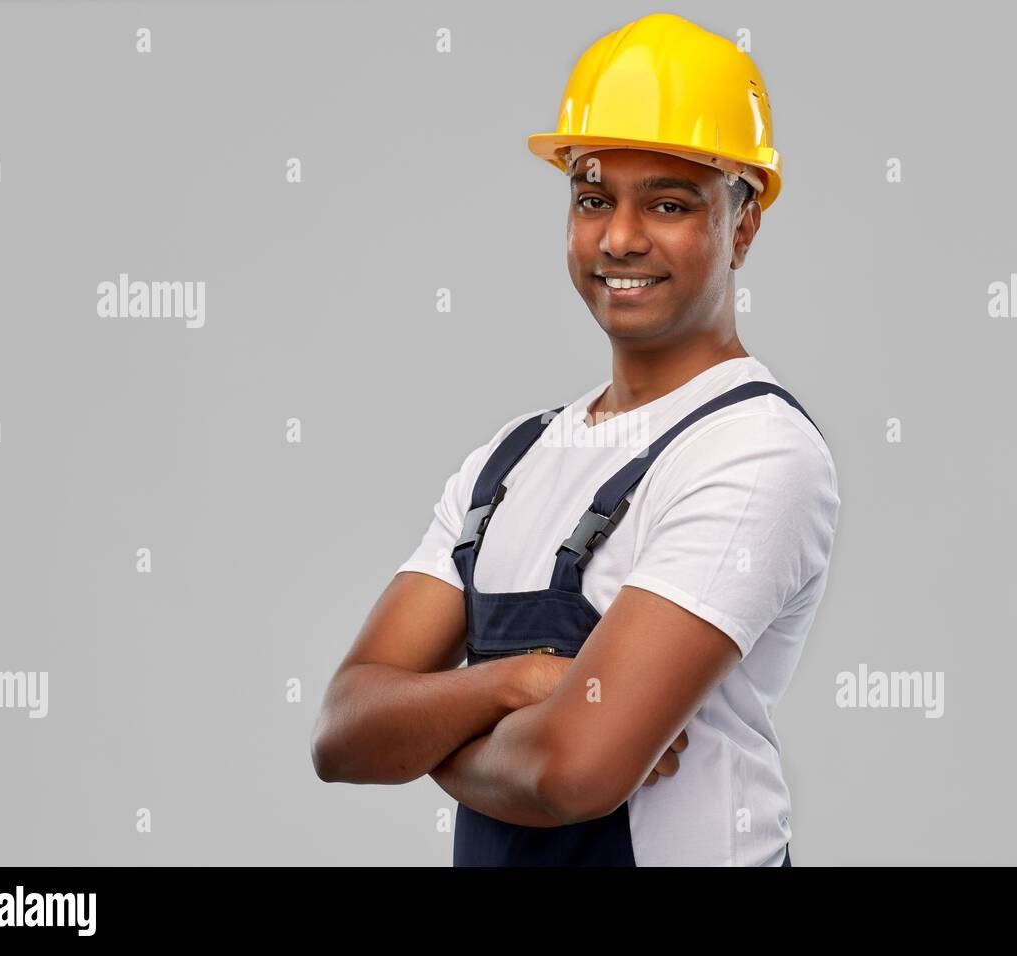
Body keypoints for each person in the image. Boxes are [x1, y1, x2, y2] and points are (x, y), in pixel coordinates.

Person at [311, 12, 840, 867]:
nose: (621, 238)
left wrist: (428, 731)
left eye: (669, 203)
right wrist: (520, 683)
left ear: (742, 226)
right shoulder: (508, 461)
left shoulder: (753, 453)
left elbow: (569, 771)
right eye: (594, 199)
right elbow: (342, 733)